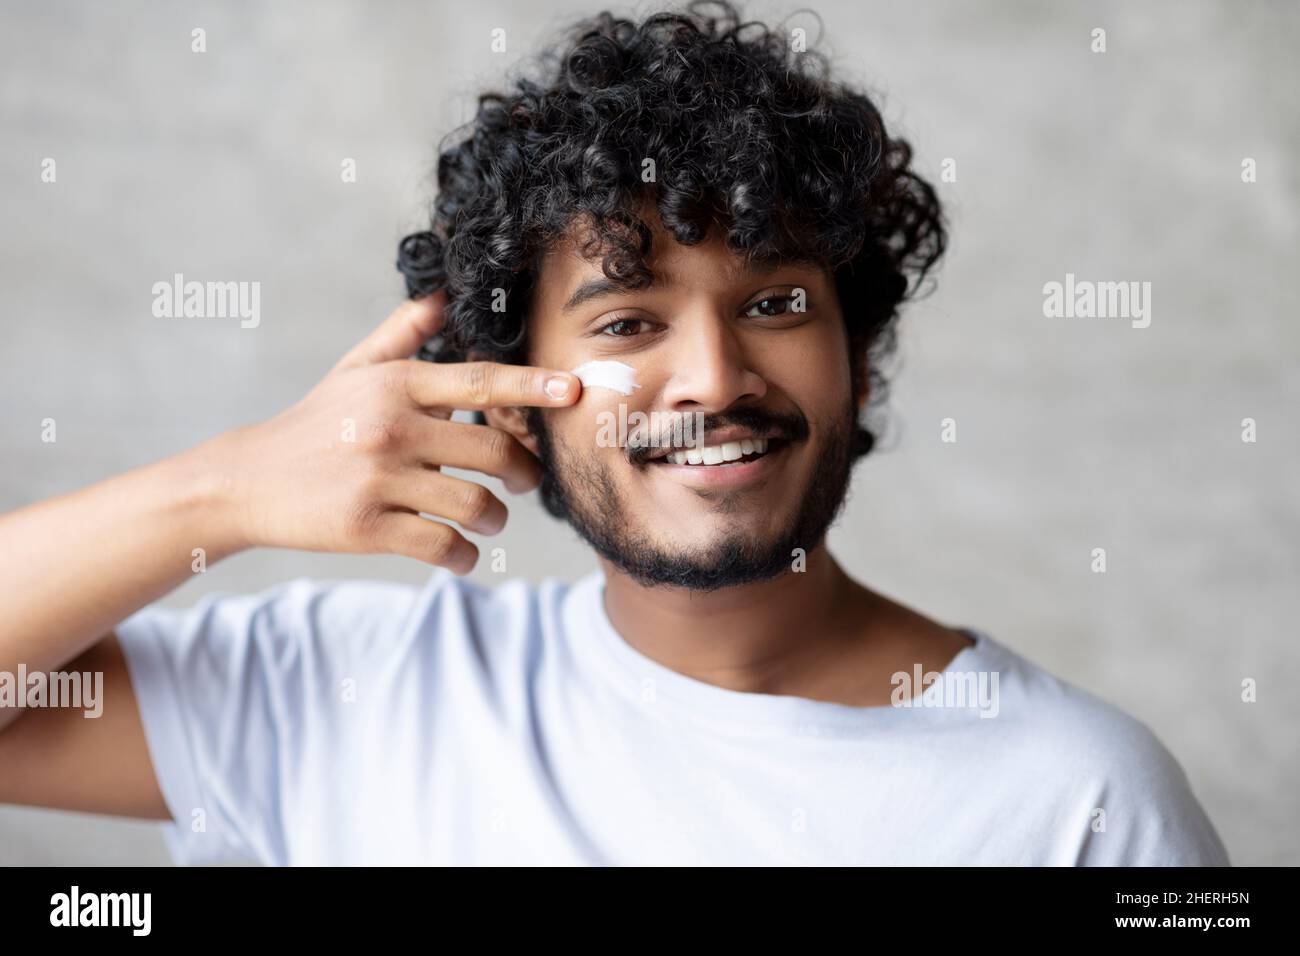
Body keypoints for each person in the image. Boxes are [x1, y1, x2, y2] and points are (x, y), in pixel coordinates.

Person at [0, 0, 1228, 865]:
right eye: (629, 319)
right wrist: (224, 488)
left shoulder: (1079, 798)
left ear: (853, 347)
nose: (711, 375)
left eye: (774, 304)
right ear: (506, 380)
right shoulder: (348, 691)